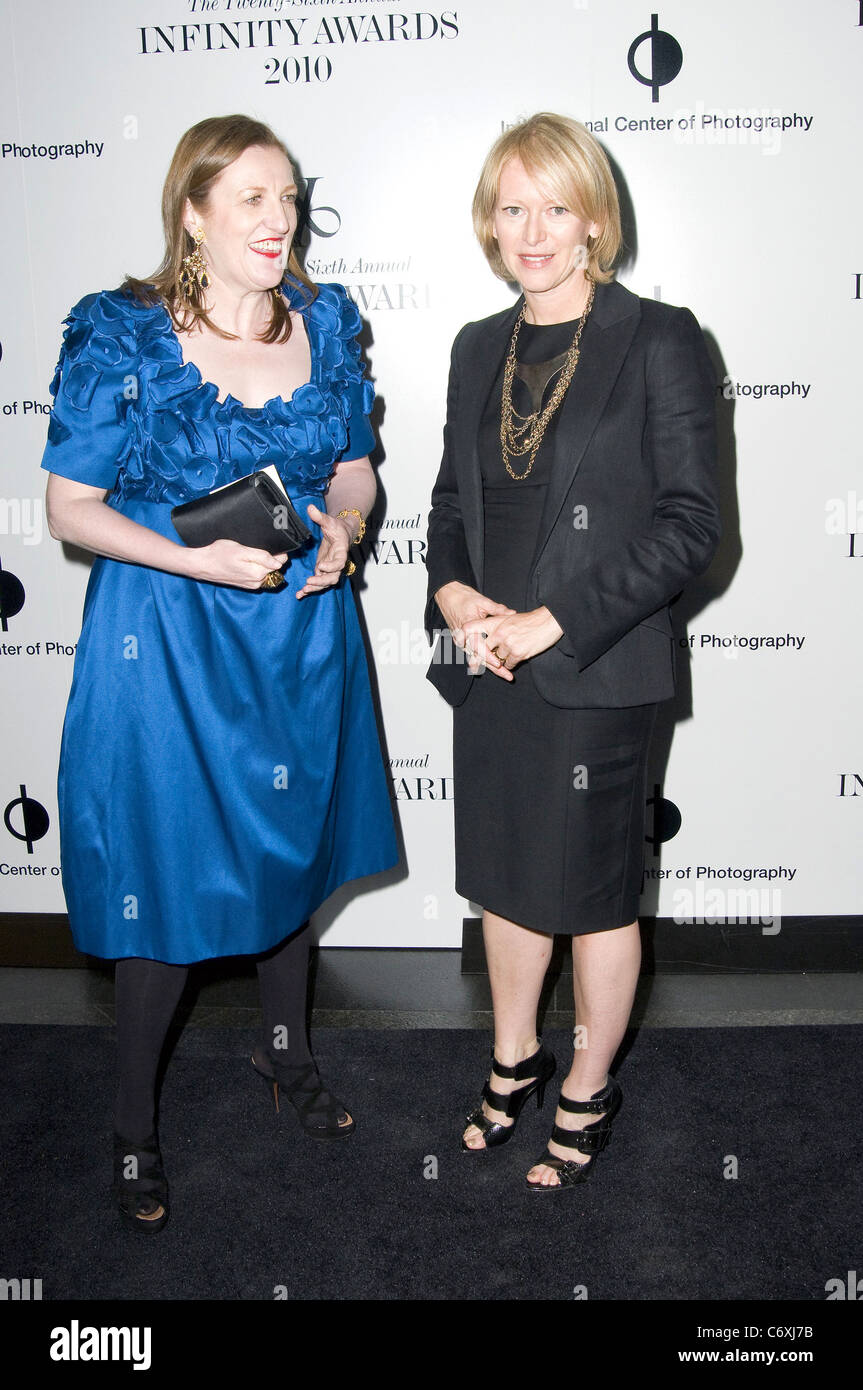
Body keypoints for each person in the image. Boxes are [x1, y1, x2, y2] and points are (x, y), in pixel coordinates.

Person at [41, 114, 398, 1231]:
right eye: (249, 197)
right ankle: (134, 1126)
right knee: (169, 884)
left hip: (298, 633)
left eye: (287, 197)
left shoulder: (327, 320)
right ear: (190, 212)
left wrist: (342, 534)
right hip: (167, 646)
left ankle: (284, 1058)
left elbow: (354, 475)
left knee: (287, 864)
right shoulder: (122, 333)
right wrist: (189, 552)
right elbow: (69, 507)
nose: (276, 218)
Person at [425, 112, 720, 1191]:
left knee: (594, 890)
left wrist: (554, 620)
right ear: (487, 222)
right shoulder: (471, 346)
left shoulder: (658, 337)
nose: (532, 230)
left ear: (594, 217)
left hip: (597, 669)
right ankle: (513, 1056)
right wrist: (453, 594)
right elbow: (447, 503)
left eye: (555, 206)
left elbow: (690, 524)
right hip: (487, 663)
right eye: (512, 208)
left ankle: (589, 1077)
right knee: (503, 880)